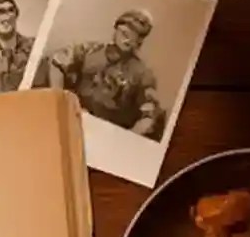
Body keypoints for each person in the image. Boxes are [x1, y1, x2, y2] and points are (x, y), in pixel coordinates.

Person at [35, 9, 166, 139]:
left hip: (107, 133)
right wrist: (61, 103)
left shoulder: (142, 73)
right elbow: (57, 62)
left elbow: (149, 115)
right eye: (125, 34)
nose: (128, 42)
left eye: (135, 40)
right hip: (75, 117)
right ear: (116, 29)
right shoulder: (91, 50)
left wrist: (124, 139)